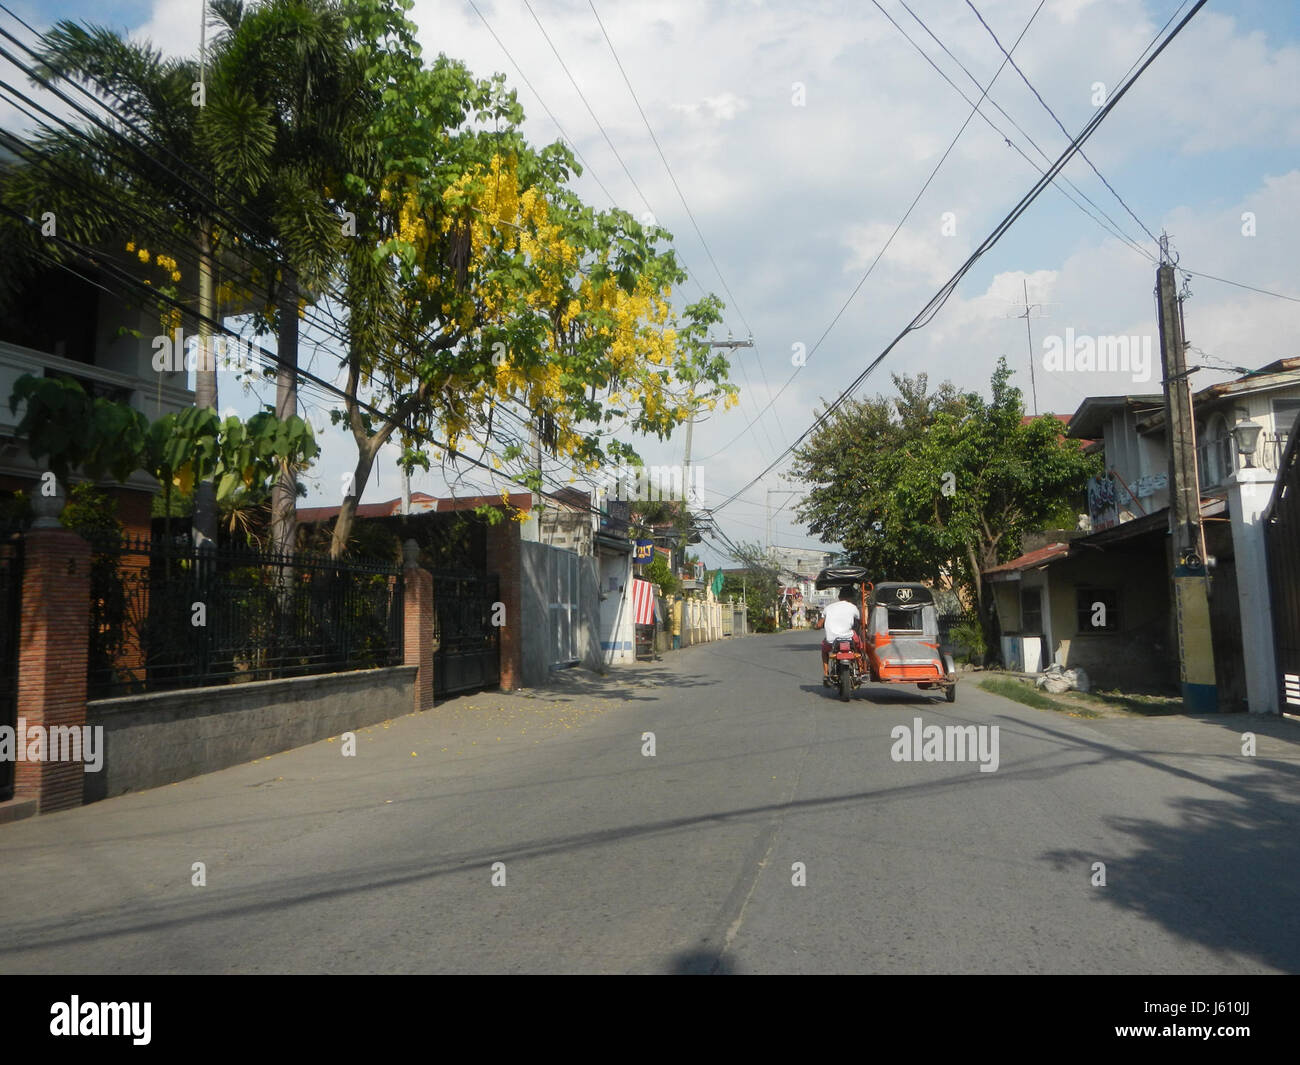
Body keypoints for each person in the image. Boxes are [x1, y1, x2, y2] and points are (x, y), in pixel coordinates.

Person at [821, 585, 862, 679]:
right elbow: (860, 622)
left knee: (824, 650)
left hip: (832, 641)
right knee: (859, 646)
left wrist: (817, 627)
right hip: (849, 639)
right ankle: (860, 668)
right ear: (852, 598)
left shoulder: (828, 607)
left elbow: (819, 624)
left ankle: (826, 673)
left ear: (839, 597)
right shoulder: (853, 607)